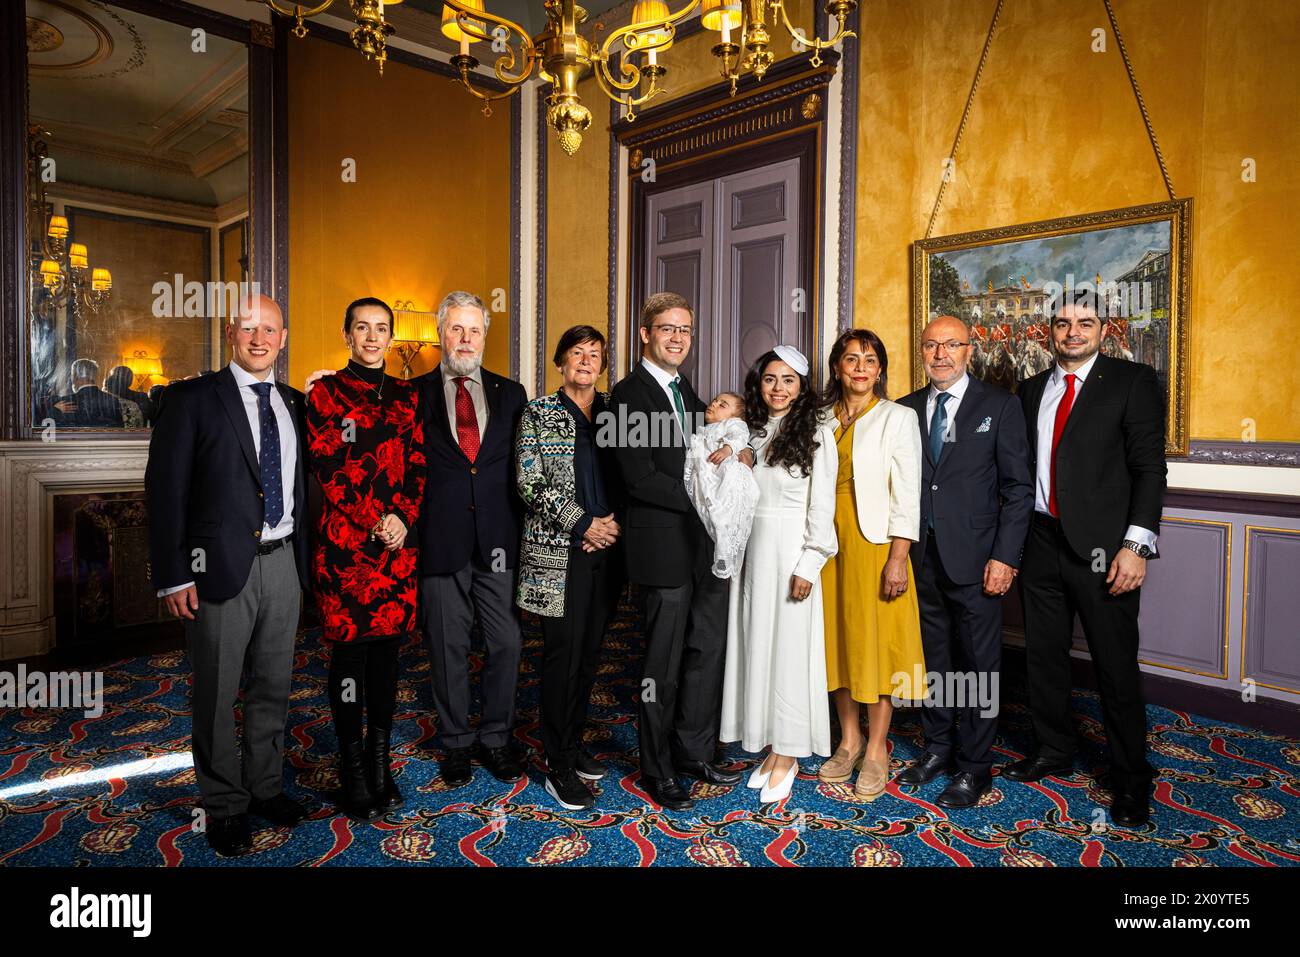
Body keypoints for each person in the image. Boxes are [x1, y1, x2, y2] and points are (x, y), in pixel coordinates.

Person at [145, 294, 311, 857]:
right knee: (216, 694)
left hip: (284, 562)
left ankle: (265, 788)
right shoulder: (190, 399)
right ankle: (223, 805)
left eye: (269, 329)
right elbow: (165, 491)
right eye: (248, 329)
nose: (259, 338)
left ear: (283, 338)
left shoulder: (295, 402)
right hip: (214, 569)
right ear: (229, 334)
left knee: (274, 685)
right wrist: (173, 575)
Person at [1004, 290, 1166, 827]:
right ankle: (1053, 749)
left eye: (1085, 322)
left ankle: (1130, 778)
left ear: (1104, 329)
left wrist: (1136, 546)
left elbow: (1149, 469)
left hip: (1106, 550)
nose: (1073, 332)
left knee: (1115, 667)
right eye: (1063, 323)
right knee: (1043, 658)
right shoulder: (1029, 390)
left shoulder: (1131, 382)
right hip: (1041, 540)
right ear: (1049, 329)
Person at [609, 292, 749, 812]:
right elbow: (639, 477)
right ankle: (657, 766)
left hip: (703, 545)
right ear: (645, 334)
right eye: (667, 328)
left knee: (705, 651)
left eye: (685, 330)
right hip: (662, 547)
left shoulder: (688, 391)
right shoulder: (627, 395)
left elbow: (715, 448)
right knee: (660, 665)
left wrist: (740, 454)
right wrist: (706, 497)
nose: (677, 338)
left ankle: (693, 751)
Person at [896, 315, 1033, 807]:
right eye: (931, 345)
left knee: (979, 665)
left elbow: (1018, 490)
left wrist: (1004, 557)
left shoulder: (999, 405)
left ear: (969, 350)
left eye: (951, 345)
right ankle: (937, 749)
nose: (940, 354)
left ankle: (975, 766)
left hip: (979, 561)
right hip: (921, 557)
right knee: (934, 660)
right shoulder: (904, 409)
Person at [306, 297, 426, 822]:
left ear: (391, 337)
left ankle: (382, 765)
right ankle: (352, 769)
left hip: (398, 547)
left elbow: (420, 463)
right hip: (347, 547)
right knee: (350, 658)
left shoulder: (408, 394)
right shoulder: (325, 391)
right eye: (363, 328)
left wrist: (402, 518)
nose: (373, 337)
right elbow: (328, 464)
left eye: (382, 329)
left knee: (388, 658)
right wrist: (375, 518)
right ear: (347, 334)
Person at [414, 292, 528, 788]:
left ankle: (497, 737)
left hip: (499, 539)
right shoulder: (409, 394)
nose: (465, 338)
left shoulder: (512, 393)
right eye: (456, 329)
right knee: (447, 645)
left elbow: (524, 468)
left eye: (474, 330)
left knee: (506, 643)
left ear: (486, 335)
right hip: (440, 538)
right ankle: (457, 741)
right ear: (440, 333)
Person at [719, 346, 838, 803]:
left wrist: (809, 562)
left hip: (792, 556)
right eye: (770, 379)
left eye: (788, 380)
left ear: (802, 387)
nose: (778, 388)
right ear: (759, 383)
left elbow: (822, 507)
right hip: (753, 555)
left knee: (789, 653)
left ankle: (789, 752)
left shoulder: (817, 433)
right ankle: (771, 745)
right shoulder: (750, 431)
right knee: (758, 647)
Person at [516, 325, 626, 810]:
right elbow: (529, 482)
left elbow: (631, 476)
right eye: (577, 353)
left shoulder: (614, 413)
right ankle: (556, 763)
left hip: (608, 548)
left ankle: (574, 744)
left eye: (594, 354)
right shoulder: (538, 412)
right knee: (562, 656)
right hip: (559, 555)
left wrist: (611, 527)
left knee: (589, 655)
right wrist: (583, 523)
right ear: (560, 361)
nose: (585, 360)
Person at [818, 329, 925, 800]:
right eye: (850, 359)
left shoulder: (899, 418)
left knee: (877, 646)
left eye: (869, 359)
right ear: (837, 368)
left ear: (880, 369)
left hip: (876, 543)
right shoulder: (819, 417)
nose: (860, 367)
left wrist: (898, 557)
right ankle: (850, 738)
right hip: (825, 543)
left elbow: (908, 492)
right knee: (837, 641)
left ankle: (878, 747)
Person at [684, 391, 760, 579]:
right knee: (710, 511)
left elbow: (740, 435)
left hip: (725, 477)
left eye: (722, 405)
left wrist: (729, 448)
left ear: (736, 416)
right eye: (714, 400)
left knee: (723, 514)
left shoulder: (733, 424)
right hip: (705, 479)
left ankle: (725, 555)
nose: (714, 404)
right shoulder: (704, 428)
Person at [49, 358, 134, 428]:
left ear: (75, 376)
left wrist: (54, 411)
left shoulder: (65, 403)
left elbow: (55, 431)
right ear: (94, 375)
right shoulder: (112, 400)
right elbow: (119, 429)